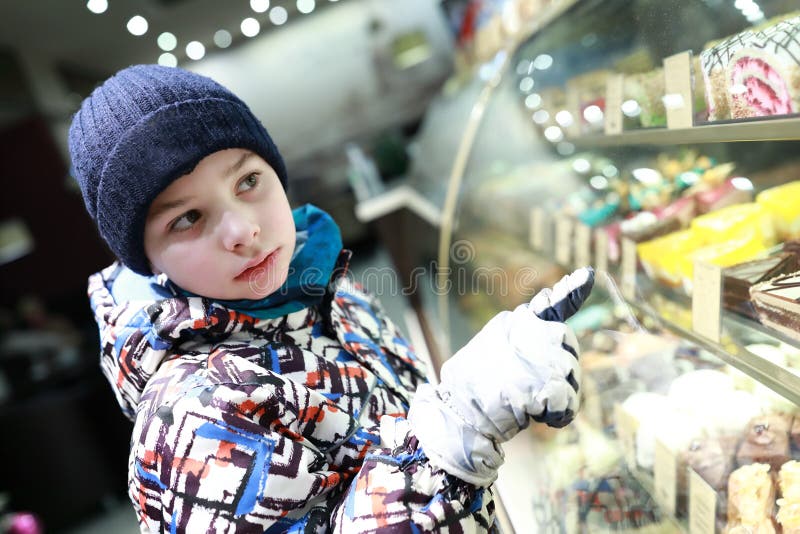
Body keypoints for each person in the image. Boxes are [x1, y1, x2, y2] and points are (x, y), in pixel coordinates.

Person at [69, 64, 594, 533]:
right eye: (187, 218)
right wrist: (456, 435)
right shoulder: (193, 416)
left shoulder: (327, 294)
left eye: (247, 180)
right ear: (147, 260)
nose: (243, 229)